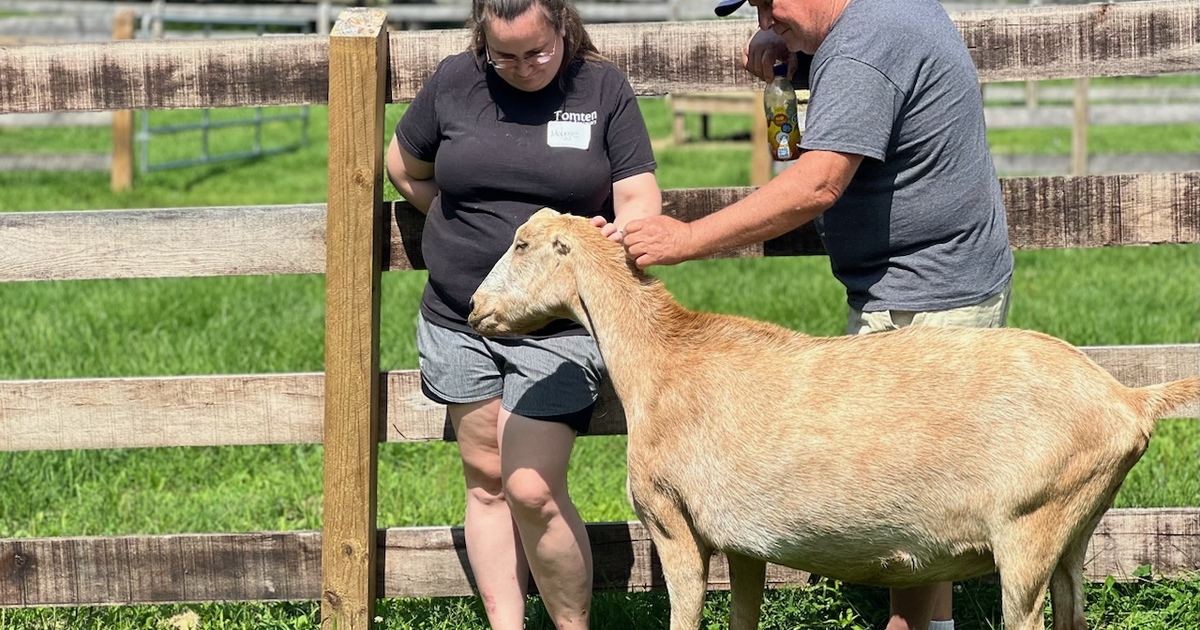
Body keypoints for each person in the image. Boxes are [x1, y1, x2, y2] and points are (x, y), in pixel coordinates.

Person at [595, 0, 1013, 629]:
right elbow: (808, 143)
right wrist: (788, 80)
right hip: (921, 284)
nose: (762, 16)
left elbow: (815, 183)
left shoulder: (868, 44)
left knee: (915, 493)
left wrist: (688, 240)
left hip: (927, 300)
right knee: (928, 488)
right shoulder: (881, 20)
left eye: (769, 1)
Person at [385, 0, 661, 627]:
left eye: (537, 51)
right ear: (481, 40)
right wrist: (458, 223)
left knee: (532, 487)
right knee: (485, 479)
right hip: (461, 316)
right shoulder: (455, 80)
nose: (523, 67)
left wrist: (613, 237)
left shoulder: (601, 88)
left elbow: (638, 197)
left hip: (557, 328)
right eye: (504, 55)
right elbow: (403, 166)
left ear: (564, 27)